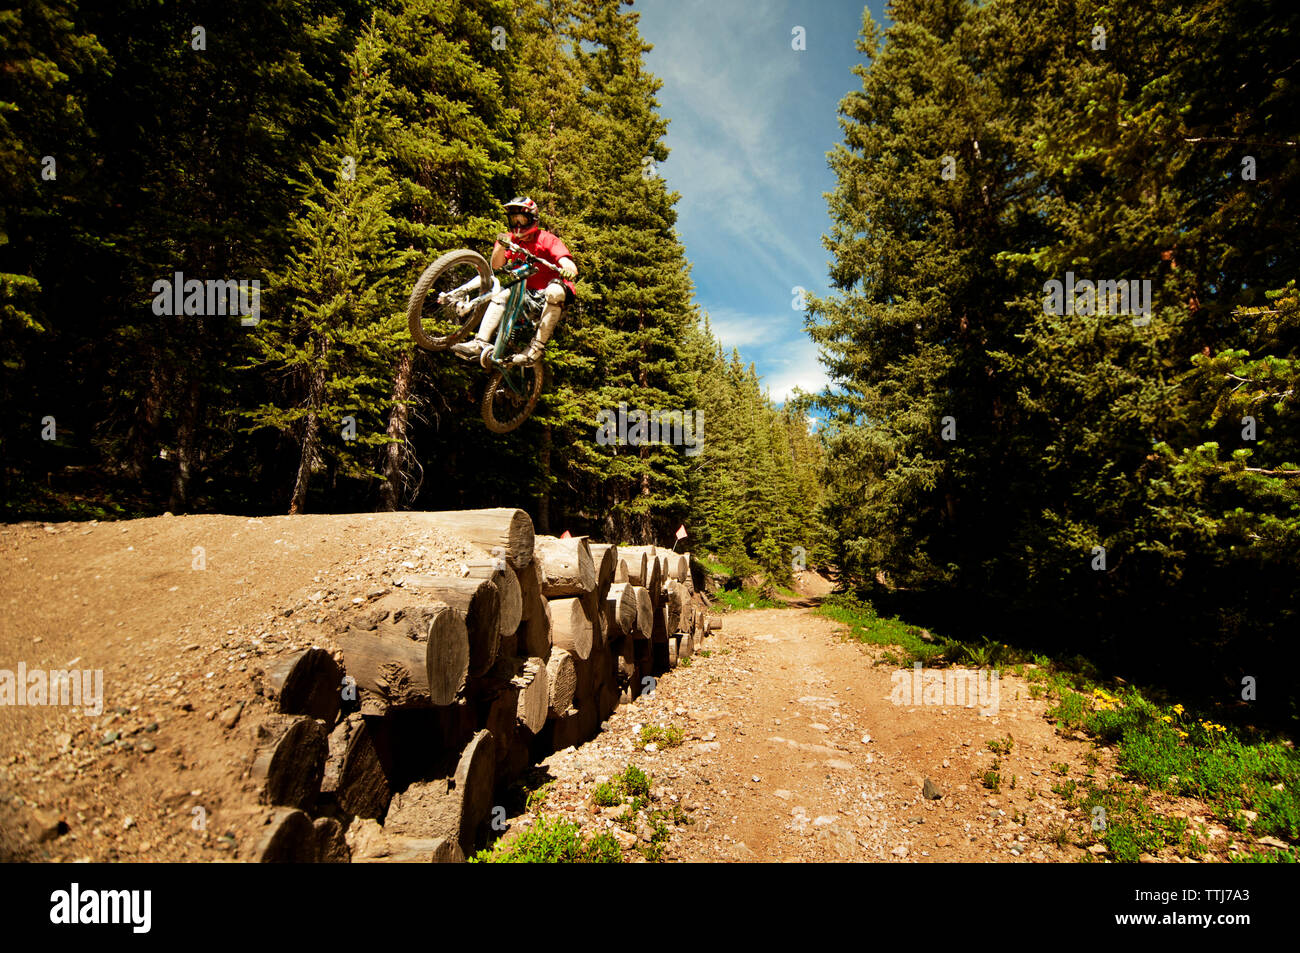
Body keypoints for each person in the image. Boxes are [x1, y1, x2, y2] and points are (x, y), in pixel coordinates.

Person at [451, 197, 577, 366]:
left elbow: (568, 263)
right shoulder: (509, 239)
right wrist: (501, 246)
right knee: (502, 294)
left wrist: (567, 269)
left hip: (552, 295)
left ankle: (536, 348)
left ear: (532, 219)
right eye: (514, 219)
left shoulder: (546, 239)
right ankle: (479, 343)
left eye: (522, 219)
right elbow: (496, 265)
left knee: (555, 290)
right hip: (525, 294)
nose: (518, 224)